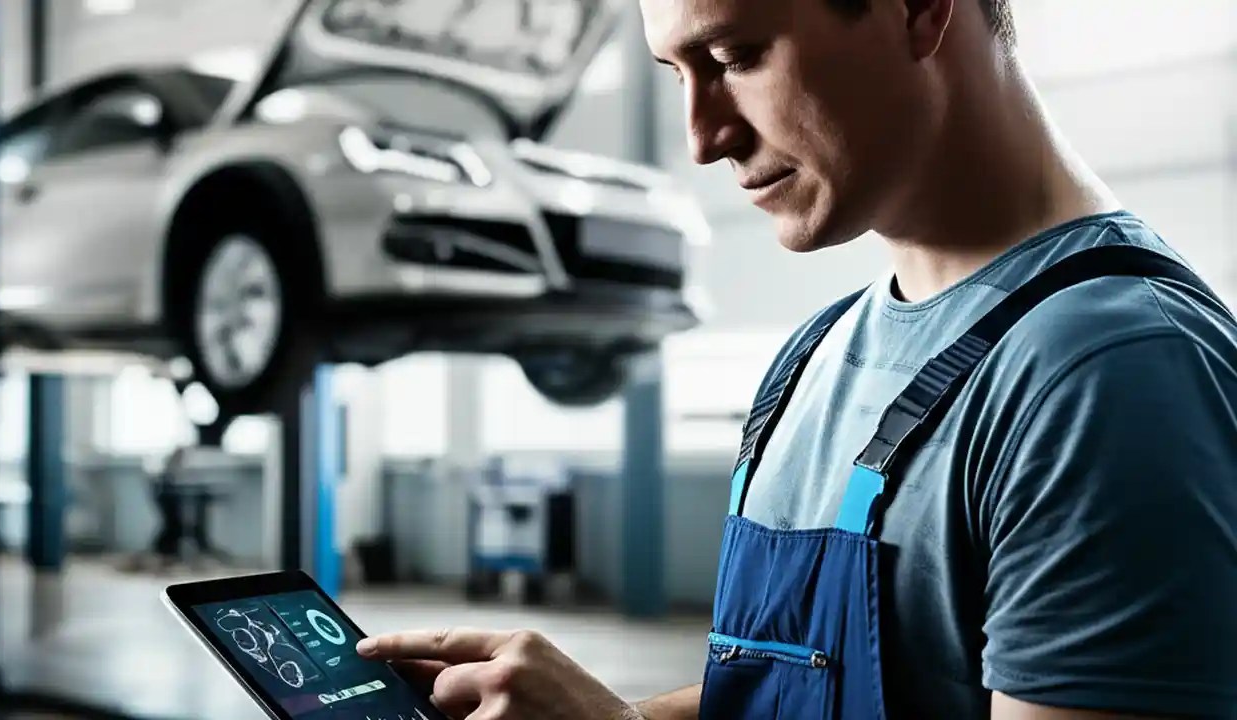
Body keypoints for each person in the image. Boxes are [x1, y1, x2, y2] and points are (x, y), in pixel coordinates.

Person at [356, 0, 1237, 717]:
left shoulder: (1112, 374)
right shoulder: (813, 357)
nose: (702, 137)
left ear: (919, 9)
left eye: (734, 57)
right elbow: (815, 691)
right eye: (676, 74)